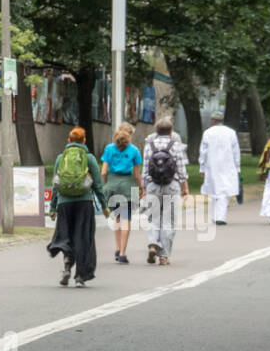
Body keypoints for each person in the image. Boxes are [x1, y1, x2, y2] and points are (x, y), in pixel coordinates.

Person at [49, 126, 109, 284]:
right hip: (84, 203)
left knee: (66, 235)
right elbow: (97, 184)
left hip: (64, 203)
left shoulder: (60, 158)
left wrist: (53, 207)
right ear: (84, 141)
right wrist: (104, 205)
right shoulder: (89, 158)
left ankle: (67, 265)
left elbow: (56, 184)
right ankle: (80, 276)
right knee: (83, 237)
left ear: (68, 141)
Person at [141, 117, 189, 264]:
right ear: (170, 131)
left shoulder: (149, 144)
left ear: (157, 130)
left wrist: (143, 187)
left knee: (154, 217)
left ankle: (152, 243)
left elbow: (145, 168)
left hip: (153, 185)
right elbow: (181, 169)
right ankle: (164, 256)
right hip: (171, 185)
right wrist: (185, 187)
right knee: (169, 220)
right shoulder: (175, 145)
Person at [100, 122, 142, 263]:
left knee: (117, 218)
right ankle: (123, 253)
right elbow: (136, 175)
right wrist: (141, 188)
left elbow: (104, 171)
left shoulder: (109, 149)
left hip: (112, 185)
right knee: (126, 219)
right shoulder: (134, 150)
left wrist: (106, 183)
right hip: (127, 186)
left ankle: (118, 247)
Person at [199, 111, 241, 226]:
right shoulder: (231, 132)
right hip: (227, 165)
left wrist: (201, 167)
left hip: (211, 166)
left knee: (214, 191)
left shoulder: (207, 133)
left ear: (213, 120)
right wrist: (237, 167)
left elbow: (203, 151)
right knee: (223, 190)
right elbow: (236, 151)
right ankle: (220, 216)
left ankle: (216, 216)